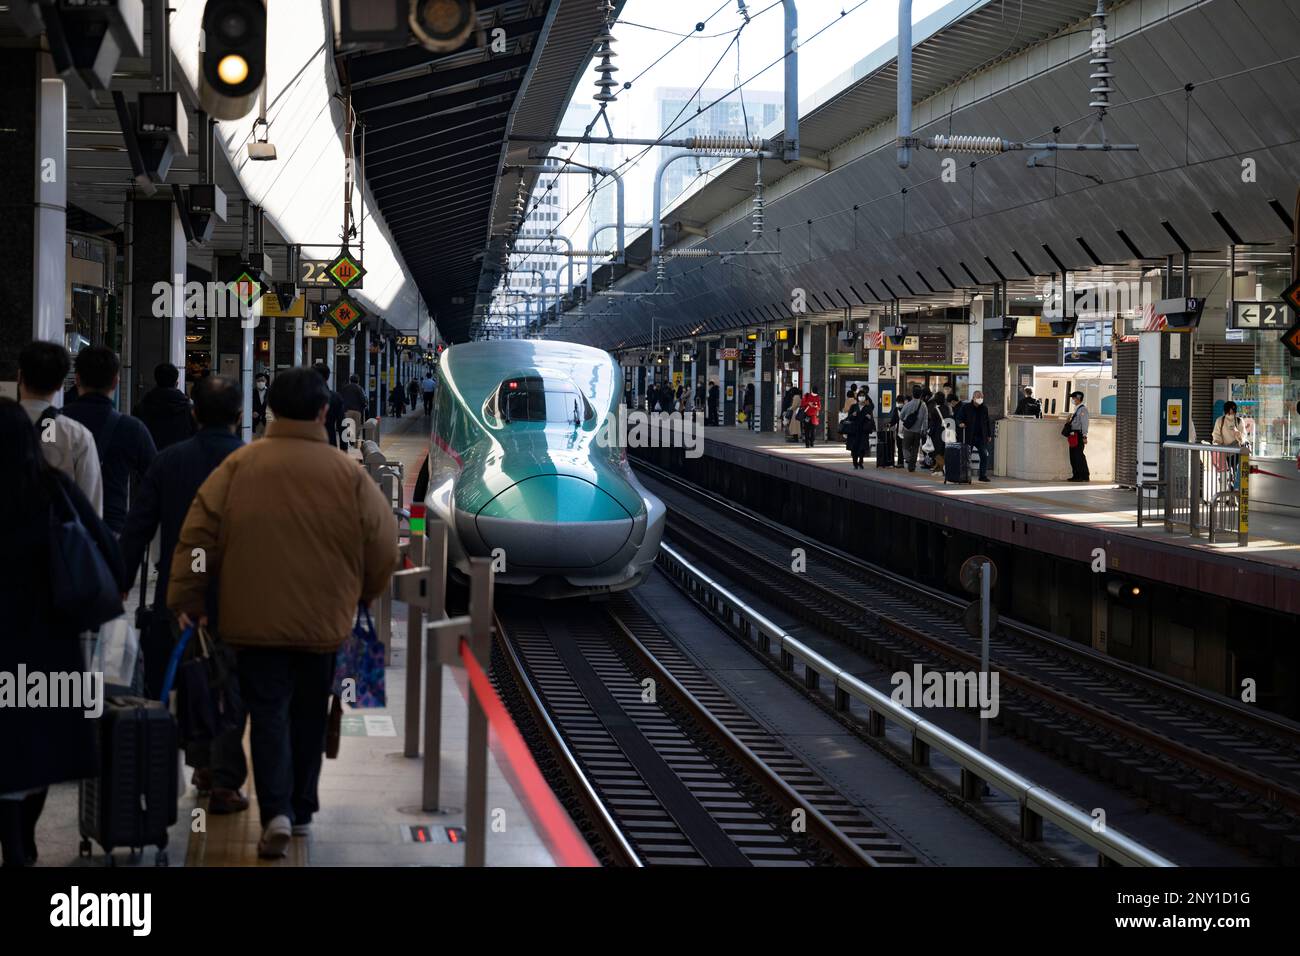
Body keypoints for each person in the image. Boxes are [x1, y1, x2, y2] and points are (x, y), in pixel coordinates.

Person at [167, 367, 400, 859]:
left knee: (268, 713)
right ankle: (301, 809)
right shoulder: (348, 476)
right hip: (324, 623)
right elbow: (381, 547)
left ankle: (275, 811)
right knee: (309, 713)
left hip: (250, 623)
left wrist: (187, 600)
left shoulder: (238, 467)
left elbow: (197, 540)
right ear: (323, 412)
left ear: (269, 409)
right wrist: (365, 593)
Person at [118, 375, 250, 812]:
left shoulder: (169, 460)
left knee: (194, 681)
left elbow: (138, 526)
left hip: (180, 597)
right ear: (238, 416)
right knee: (231, 687)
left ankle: (203, 767)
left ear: (194, 414)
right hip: (237, 595)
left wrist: (119, 580)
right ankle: (226, 782)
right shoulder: (250, 464)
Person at [0, 398, 123, 866]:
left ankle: (13, 840)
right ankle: (21, 842)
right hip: (47, 644)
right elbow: (105, 555)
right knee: (37, 746)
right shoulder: (53, 490)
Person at [62, 346, 157, 533]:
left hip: (63, 531)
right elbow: (156, 480)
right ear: (115, 382)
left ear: (77, 379)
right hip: (111, 529)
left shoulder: (57, 422)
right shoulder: (133, 428)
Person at [16, 340, 103, 513]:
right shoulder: (77, 436)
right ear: (60, 385)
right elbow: (90, 506)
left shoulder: (6, 424)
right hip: (56, 536)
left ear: (19, 377)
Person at [132, 362, 196, 451]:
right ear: (176, 383)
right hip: (181, 459)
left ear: (156, 381)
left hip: (152, 460)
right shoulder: (190, 409)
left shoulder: (140, 408)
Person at [957, 390, 993, 482]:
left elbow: (987, 422)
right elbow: (959, 417)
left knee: (984, 455)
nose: (980, 399)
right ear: (973, 398)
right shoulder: (966, 407)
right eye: (978, 397)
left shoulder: (984, 408)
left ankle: (982, 475)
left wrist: (989, 434)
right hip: (969, 435)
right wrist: (960, 423)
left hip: (981, 436)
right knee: (966, 456)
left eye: (982, 397)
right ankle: (964, 475)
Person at [313, 362, 347, 451]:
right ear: (327, 377)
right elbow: (342, 425)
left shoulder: (304, 396)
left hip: (308, 446)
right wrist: (344, 448)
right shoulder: (335, 397)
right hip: (329, 443)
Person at [1212, 400, 1246, 488]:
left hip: (1235, 452)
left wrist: (1238, 434)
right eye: (1229, 411)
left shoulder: (1239, 421)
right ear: (1226, 410)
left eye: (1233, 411)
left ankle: (1234, 491)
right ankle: (1226, 493)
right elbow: (1216, 435)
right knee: (1225, 475)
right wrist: (1218, 444)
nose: (1231, 413)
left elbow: (1243, 437)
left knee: (1235, 473)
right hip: (1223, 451)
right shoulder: (1220, 421)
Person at [896, 385, 929, 472]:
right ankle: (912, 466)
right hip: (918, 431)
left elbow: (901, 416)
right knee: (915, 448)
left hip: (908, 430)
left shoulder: (907, 404)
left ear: (912, 394)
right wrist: (924, 429)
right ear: (921, 395)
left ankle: (909, 460)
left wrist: (906, 421)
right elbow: (925, 419)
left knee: (905, 447)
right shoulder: (924, 405)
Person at [844, 390, 875, 469]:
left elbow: (871, 419)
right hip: (854, 430)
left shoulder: (868, 408)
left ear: (865, 398)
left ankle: (861, 461)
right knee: (854, 447)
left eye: (863, 396)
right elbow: (848, 418)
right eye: (860, 395)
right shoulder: (853, 407)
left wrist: (869, 417)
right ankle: (855, 462)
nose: (861, 397)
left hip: (863, 430)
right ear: (857, 397)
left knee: (862, 447)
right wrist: (852, 415)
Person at [1063, 390, 1090, 482]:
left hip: (1078, 435)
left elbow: (1084, 423)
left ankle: (1080, 476)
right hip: (1074, 435)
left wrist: (1084, 436)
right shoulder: (1077, 409)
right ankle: (1080, 475)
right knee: (1075, 456)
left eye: (1073, 398)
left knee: (1077, 456)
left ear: (1078, 399)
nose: (1072, 400)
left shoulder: (1083, 410)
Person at [252, 372, 270, 436]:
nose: (260, 382)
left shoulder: (270, 392)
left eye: (262, 380)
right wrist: (252, 412)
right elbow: (247, 405)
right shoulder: (252, 392)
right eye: (258, 380)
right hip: (255, 422)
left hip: (267, 422)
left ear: (266, 381)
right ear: (256, 381)